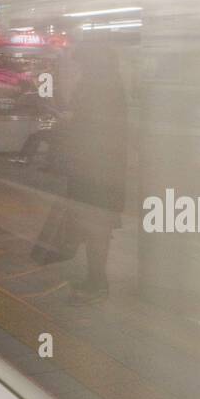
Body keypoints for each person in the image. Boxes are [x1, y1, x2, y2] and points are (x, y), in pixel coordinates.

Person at [62, 41, 127, 305]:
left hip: (95, 168)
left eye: (81, 63)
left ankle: (98, 282)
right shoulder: (111, 83)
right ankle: (95, 279)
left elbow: (91, 127)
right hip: (101, 167)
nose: (78, 68)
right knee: (95, 227)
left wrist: (71, 120)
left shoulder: (98, 87)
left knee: (95, 227)